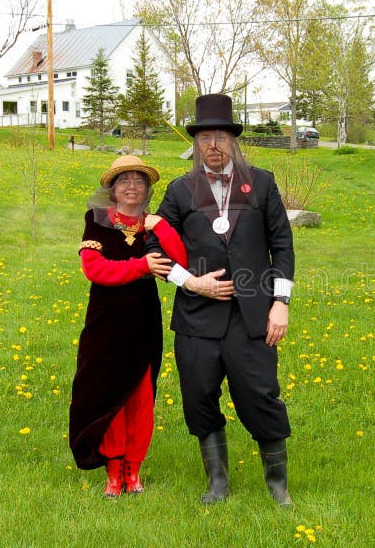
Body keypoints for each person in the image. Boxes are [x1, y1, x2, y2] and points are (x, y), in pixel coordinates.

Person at [145, 93, 295, 506]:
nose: (212, 144)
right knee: (198, 395)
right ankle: (217, 481)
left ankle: (277, 484)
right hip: (197, 317)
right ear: (195, 143)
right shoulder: (179, 190)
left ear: (233, 141)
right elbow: (154, 248)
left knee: (260, 394)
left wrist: (280, 303)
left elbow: (282, 245)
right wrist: (191, 283)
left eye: (220, 136)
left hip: (253, 315)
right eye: (204, 137)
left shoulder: (261, 183)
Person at [69, 154, 186, 498]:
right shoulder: (97, 220)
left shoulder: (154, 224)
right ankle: (112, 472)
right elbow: (94, 269)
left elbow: (181, 260)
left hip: (143, 323)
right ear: (112, 188)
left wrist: (161, 227)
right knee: (107, 396)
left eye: (139, 180)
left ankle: (133, 471)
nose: (132, 186)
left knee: (140, 399)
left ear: (147, 189)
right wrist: (141, 266)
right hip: (105, 324)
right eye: (124, 180)